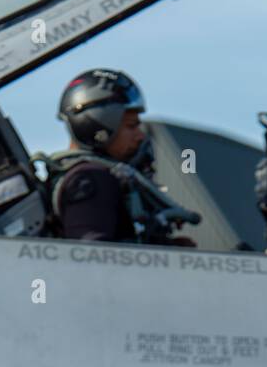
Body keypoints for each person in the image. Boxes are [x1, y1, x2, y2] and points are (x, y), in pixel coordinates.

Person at [47, 68, 199, 245]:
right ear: (97, 127)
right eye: (131, 126)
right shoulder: (90, 180)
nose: (140, 136)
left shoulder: (100, 176)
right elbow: (91, 259)